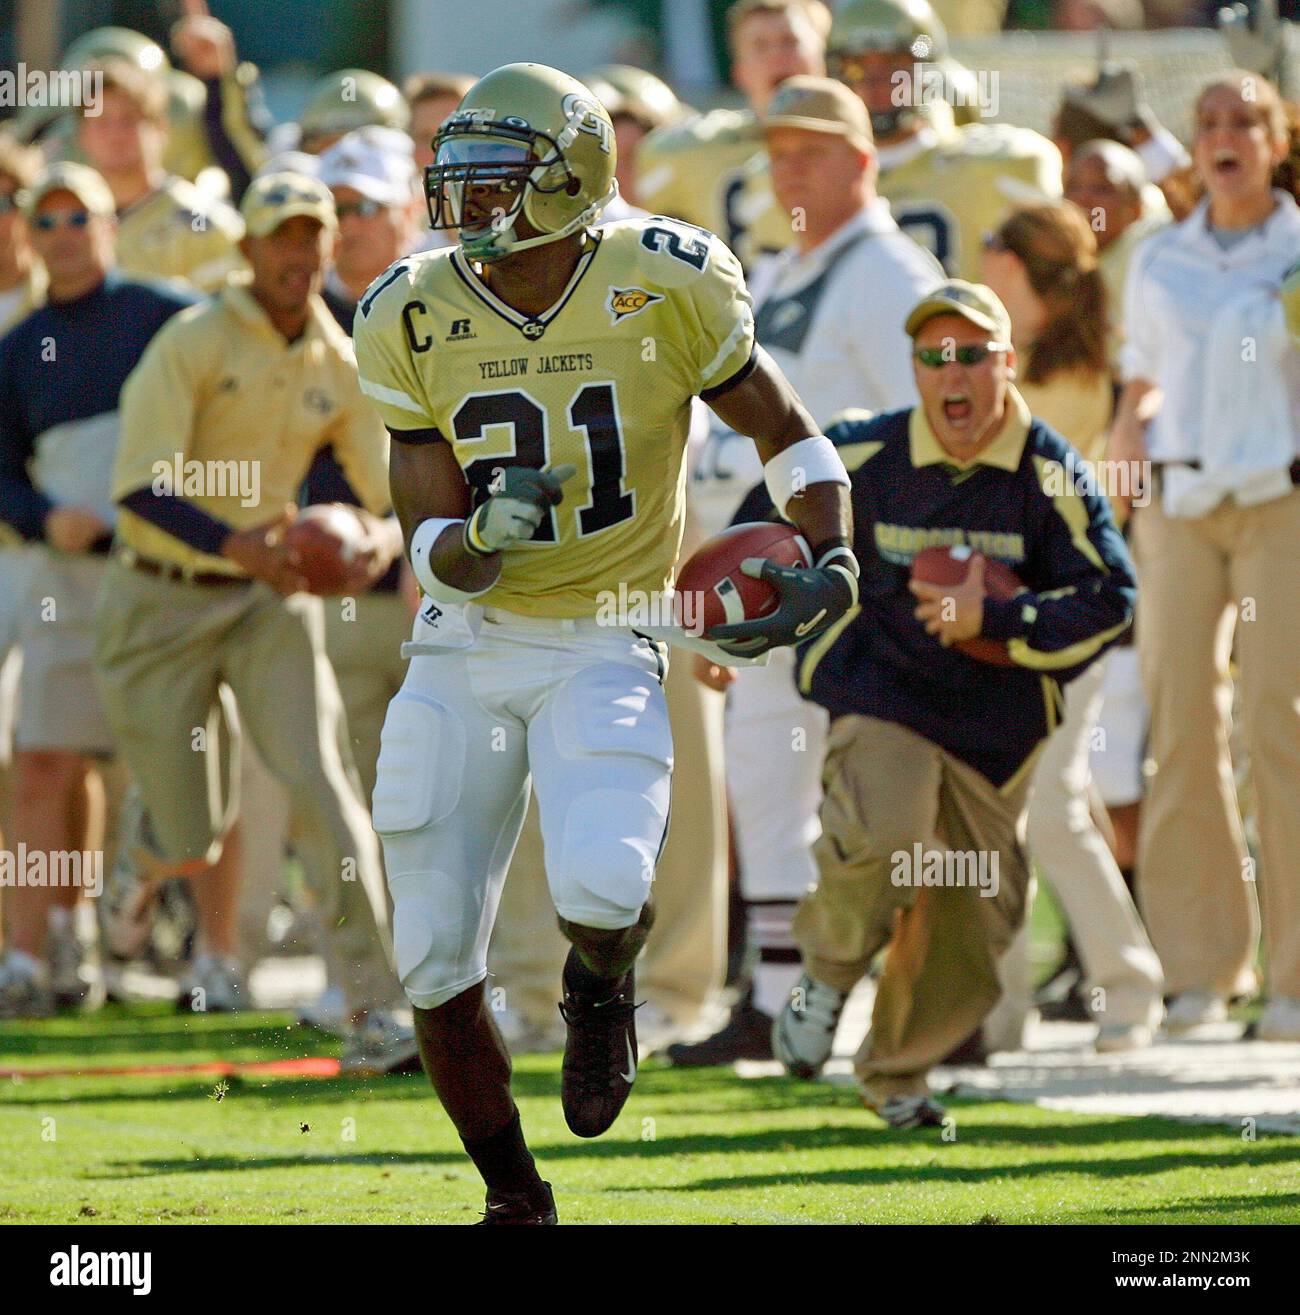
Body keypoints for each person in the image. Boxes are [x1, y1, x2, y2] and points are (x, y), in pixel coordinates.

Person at [353, 63, 857, 1224]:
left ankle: (600, 986)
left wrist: (831, 553)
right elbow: (425, 546)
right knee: (430, 952)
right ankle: (513, 1195)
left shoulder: (663, 277)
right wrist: (479, 535)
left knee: (604, 879)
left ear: (571, 178)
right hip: (465, 639)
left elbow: (786, 428)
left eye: (495, 183)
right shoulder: (408, 306)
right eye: (457, 183)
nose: (465, 208)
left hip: (607, 627)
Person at [772, 281, 1135, 1125]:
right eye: (934, 356)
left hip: (994, 729)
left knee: (976, 916)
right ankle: (824, 974)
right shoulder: (863, 452)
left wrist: (996, 617)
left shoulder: (1048, 470)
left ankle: (895, 1075)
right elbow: (776, 524)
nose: (952, 372)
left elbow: (1113, 595)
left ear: (1006, 364)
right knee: (886, 826)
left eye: (972, 354)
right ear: (915, 368)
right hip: (883, 696)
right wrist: (732, 629)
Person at [93, 172, 413, 1072]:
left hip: (269, 599)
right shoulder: (189, 339)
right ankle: (148, 855)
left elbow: (393, 494)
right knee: (196, 832)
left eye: (313, 237)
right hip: (159, 593)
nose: (299, 254)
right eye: (282, 237)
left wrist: (372, 538)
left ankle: (374, 1009)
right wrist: (249, 545)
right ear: (247, 250)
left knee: (323, 786)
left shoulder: (339, 358)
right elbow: (138, 488)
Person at [670, 76, 942, 1066]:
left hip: (842, 574)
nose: (788, 168)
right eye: (777, 150)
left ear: (865, 159)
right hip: (767, 571)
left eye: (811, 150)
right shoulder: (784, 267)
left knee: (866, 803)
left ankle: (904, 1004)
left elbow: (925, 434)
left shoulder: (888, 275)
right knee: (764, 781)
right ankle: (781, 997)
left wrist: (873, 567)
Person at [1110, 72, 1300, 1041]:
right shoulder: (1157, 259)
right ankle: (1198, 974)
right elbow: (1143, 374)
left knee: (1280, 723)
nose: (1224, 137)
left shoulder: (1298, 247)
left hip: (1280, 501)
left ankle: (1292, 981)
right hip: (1179, 505)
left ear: (1276, 139)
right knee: (1178, 726)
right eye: (1210, 123)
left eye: (1244, 122)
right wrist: (1124, 428)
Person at [0, 163, 195, 1016]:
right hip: (66, 578)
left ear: (110, 223)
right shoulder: (17, 347)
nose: (64, 233)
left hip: (166, 577)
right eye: (46, 221)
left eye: (79, 216)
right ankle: (34, 951)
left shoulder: (166, 316)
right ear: (29, 237)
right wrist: (46, 517)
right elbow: (2, 475)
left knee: (175, 764)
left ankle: (203, 957)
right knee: (44, 759)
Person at [981, 201, 1163, 1051]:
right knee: (1011, 803)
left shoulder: (1092, 376)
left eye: (994, 259)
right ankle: (999, 1011)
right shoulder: (1002, 371)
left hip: (1066, 615)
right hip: (1001, 618)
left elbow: (1094, 509)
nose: (981, 275)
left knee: (1047, 808)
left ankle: (1129, 991)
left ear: (1024, 271)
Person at [819, 0, 1062, 277]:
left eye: (894, 65)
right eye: (857, 67)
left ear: (926, 71)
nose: (876, 84)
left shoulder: (993, 168)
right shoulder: (807, 175)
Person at [635, 0, 830, 259]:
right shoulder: (694, 148)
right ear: (739, 71)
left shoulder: (866, 141)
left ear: (823, 57)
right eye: (759, 46)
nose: (776, 55)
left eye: (790, 41)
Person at [74, 57, 245, 291]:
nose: (115, 135)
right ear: (82, 135)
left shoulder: (202, 221)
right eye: (102, 121)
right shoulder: (65, 223)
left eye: (129, 119)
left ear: (160, 129)